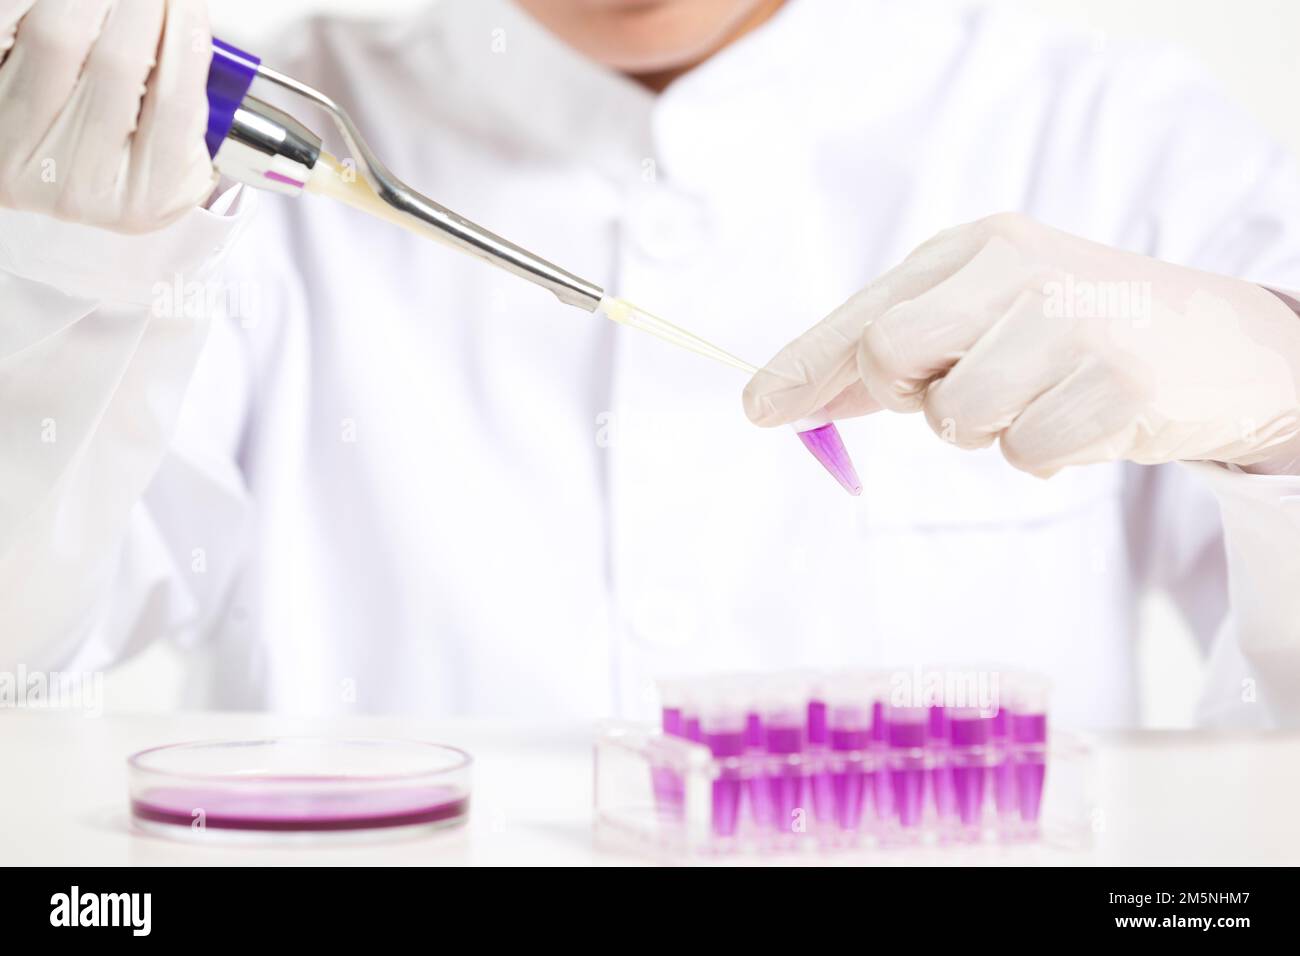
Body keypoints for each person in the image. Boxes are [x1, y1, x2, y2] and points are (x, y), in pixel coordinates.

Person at [1, 0, 1298, 726]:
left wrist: (1279, 404)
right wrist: (55, 287)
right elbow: (26, 650)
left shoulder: (1110, 137)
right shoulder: (226, 154)